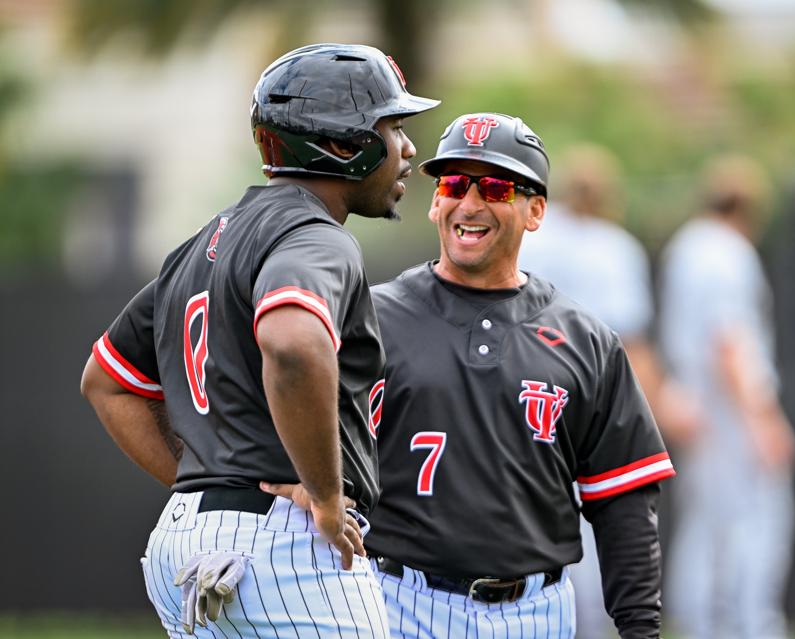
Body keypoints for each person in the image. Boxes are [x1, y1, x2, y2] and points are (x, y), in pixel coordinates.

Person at [79, 43, 438, 638]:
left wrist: (210, 484)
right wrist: (325, 496)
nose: (407, 148)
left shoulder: (205, 242)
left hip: (185, 537)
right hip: (279, 544)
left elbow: (105, 381)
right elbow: (293, 342)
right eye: (393, 126)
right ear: (344, 144)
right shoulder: (315, 236)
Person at [363, 112, 673, 638]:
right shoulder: (372, 318)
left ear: (536, 210)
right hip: (398, 601)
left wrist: (640, 630)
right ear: (436, 200)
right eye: (455, 183)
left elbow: (623, 502)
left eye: (496, 187)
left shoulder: (586, 340)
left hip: (537, 612)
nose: (470, 203)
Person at [520, 143, 698, 638]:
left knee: (540, 528)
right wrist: (652, 410)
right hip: (592, 402)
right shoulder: (613, 246)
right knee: (602, 538)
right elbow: (631, 341)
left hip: (527, 399)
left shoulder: (536, 236)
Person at [658, 155, 795, 639]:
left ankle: (702, 624)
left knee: (704, 526)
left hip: (698, 404)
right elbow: (730, 342)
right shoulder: (727, 252)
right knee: (759, 524)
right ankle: (751, 625)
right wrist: (764, 420)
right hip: (730, 412)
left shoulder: (687, 246)